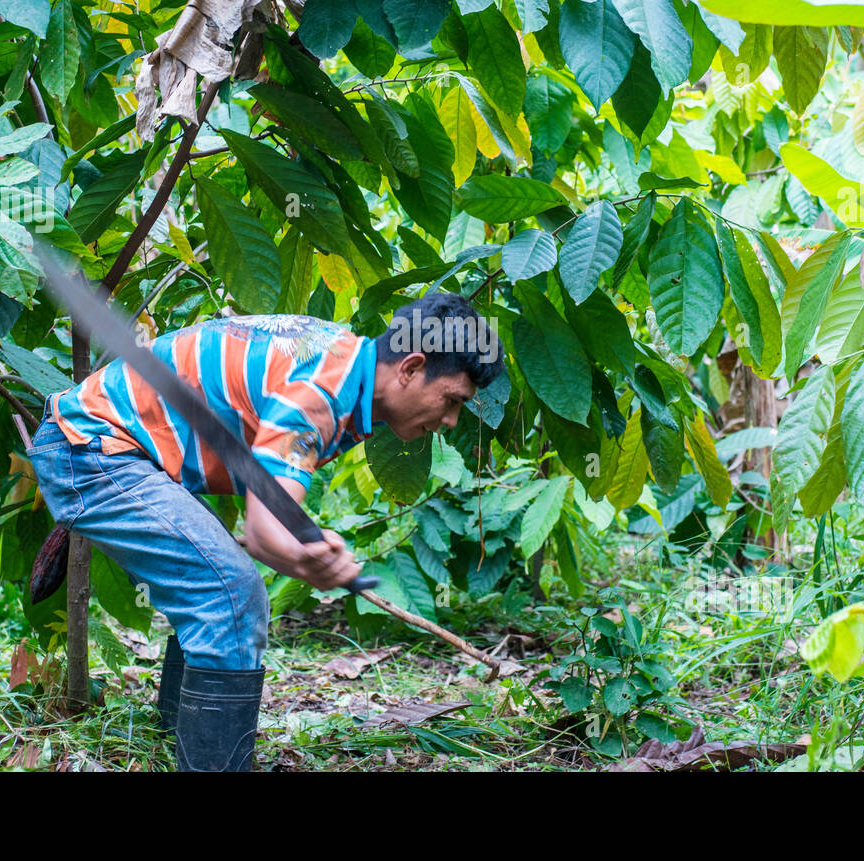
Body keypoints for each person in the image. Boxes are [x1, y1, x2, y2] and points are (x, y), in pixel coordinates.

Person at [27, 292, 505, 771]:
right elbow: (264, 534)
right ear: (411, 368)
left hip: (115, 449)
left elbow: (272, 491)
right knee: (229, 593)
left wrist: (307, 543)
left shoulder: (343, 365)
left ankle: (175, 742)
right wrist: (311, 564)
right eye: (452, 401)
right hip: (92, 449)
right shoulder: (323, 392)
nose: (450, 421)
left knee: (214, 579)